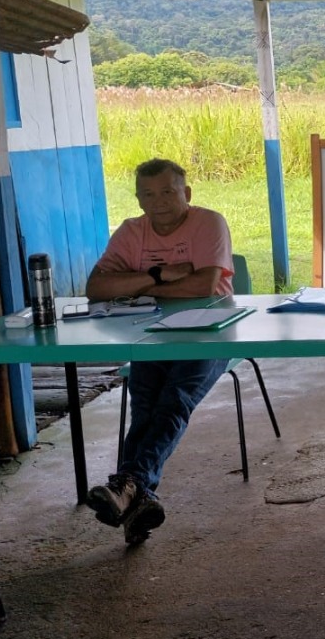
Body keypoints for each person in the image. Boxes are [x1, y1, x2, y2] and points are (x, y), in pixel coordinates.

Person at [84, 158, 234, 545]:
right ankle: (137, 495)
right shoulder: (131, 231)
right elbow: (96, 289)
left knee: (173, 400)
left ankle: (129, 485)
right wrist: (158, 275)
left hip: (210, 333)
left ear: (187, 193)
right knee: (146, 406)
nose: (159, 202)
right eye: (148, 194)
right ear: (138, 199)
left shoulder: (209, 222)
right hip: (150, 334)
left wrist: (136, 287)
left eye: (168, 192)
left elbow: (203, 287)